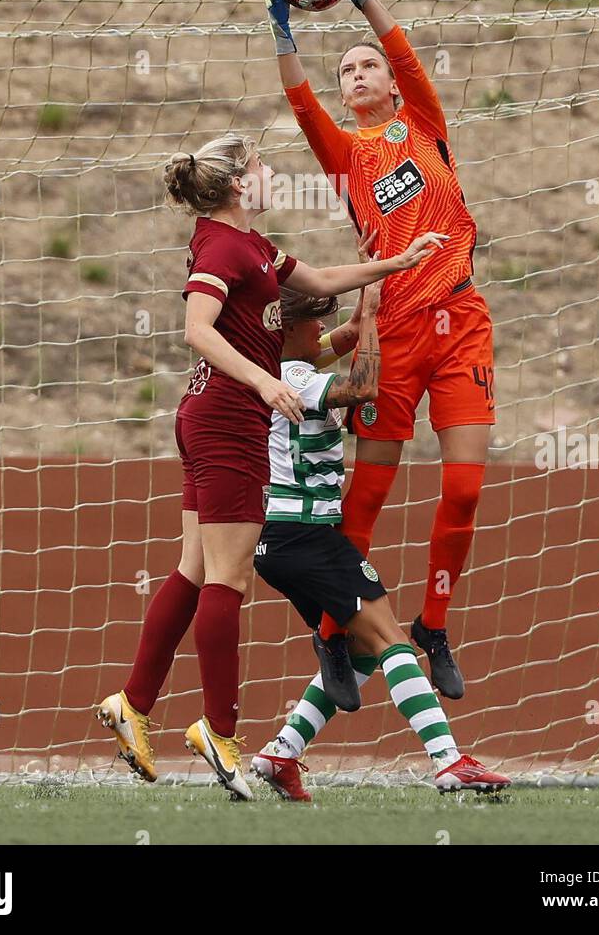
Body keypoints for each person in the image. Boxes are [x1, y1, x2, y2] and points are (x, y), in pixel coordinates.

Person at [96, 131, 446, 800]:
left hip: (209, 413)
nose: (271, 171)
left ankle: (134, 707)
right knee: (229, 579)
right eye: (260, 165)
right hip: (227, 419)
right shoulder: (225, 246)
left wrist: (397, 261)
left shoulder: (252, 246)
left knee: (195, 570)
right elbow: (198, 329)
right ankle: (220, 733)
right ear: (236, 184)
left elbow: (317, 282)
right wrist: (262, 382)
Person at [260, 0, 496, 699]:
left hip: (461, 323)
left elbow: (401, 48)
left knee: (463, 487)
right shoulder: (346, 154)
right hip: (390, 334)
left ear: (391, 84)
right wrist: (283, 27)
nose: (357, 75)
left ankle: (433, 625)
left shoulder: (424, 122)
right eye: (346, 73)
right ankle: (332, 637)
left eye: (367, 67)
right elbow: (298, 102)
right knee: (364, 497)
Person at [250, 278, 509, 801]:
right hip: (308, 539)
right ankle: (448, 761)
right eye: (316, 320)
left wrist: (367, 309)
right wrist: (370, 326)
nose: (324, 328)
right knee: (393, 641)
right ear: (292, 328)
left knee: (368, 651)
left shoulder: (272, 370)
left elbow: (335, 344)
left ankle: (280, 753)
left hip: (284, 541)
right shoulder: (296, 377)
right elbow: (362, 387)